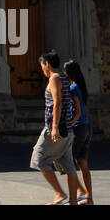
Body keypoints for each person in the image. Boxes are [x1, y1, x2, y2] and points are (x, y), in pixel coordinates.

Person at [30, 51, 81, 204]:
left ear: (47, 64)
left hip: (56, 129)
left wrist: (54, 127)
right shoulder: (65, 79)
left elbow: (57, 103)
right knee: (68, 165)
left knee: (38, 158)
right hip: (67, 130)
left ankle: (59, 193)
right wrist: (69, 123)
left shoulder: (54, 79)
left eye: (42, 66)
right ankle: (73, 201)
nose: (42, 70)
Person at [64, 59, 93, 204]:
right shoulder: (81, 87)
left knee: (67, 164)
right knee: (82, 163)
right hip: (87, 127)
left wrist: (68, 124)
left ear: (69, 72)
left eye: (65, 71)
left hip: (78, 128)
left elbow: (77, 111)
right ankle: (89, 199)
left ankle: (73, 199)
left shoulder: (73, 88)